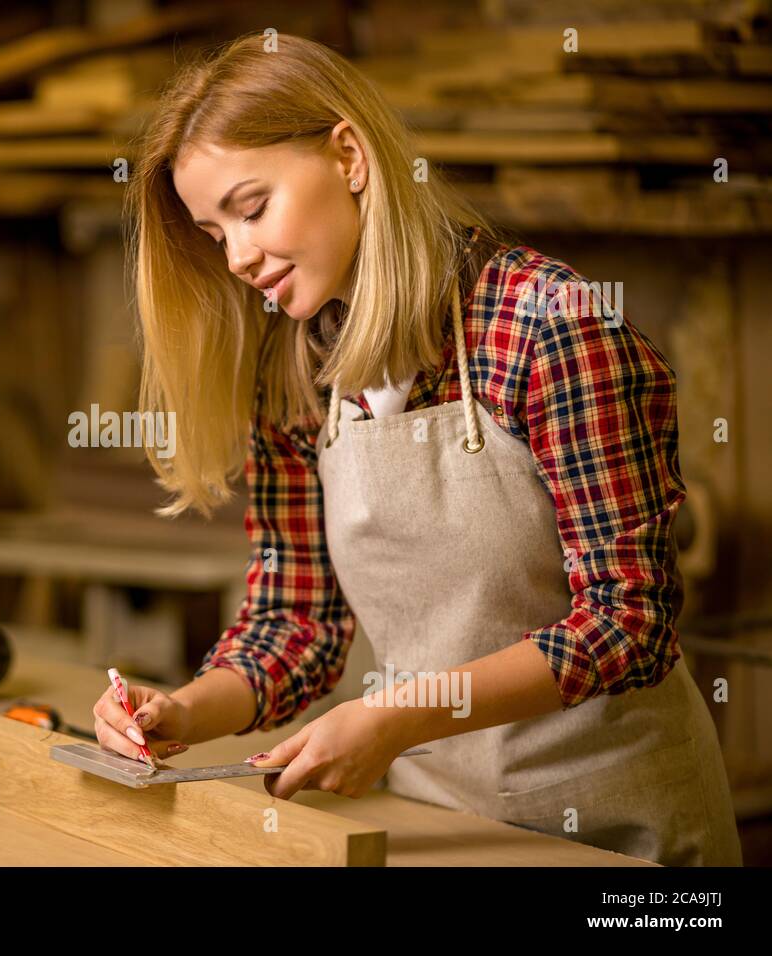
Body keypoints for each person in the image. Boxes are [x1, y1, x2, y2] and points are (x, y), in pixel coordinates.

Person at [93, 32, 741, 866]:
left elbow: (628, 623)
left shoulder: (550, 328)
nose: (240, 257)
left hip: (620, 828)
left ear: (350, 156)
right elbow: (296, 625)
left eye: (251, 209)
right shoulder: (293, 371)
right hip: (439, 827)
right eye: (216, 234)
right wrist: (181, 712)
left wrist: (398, 718)